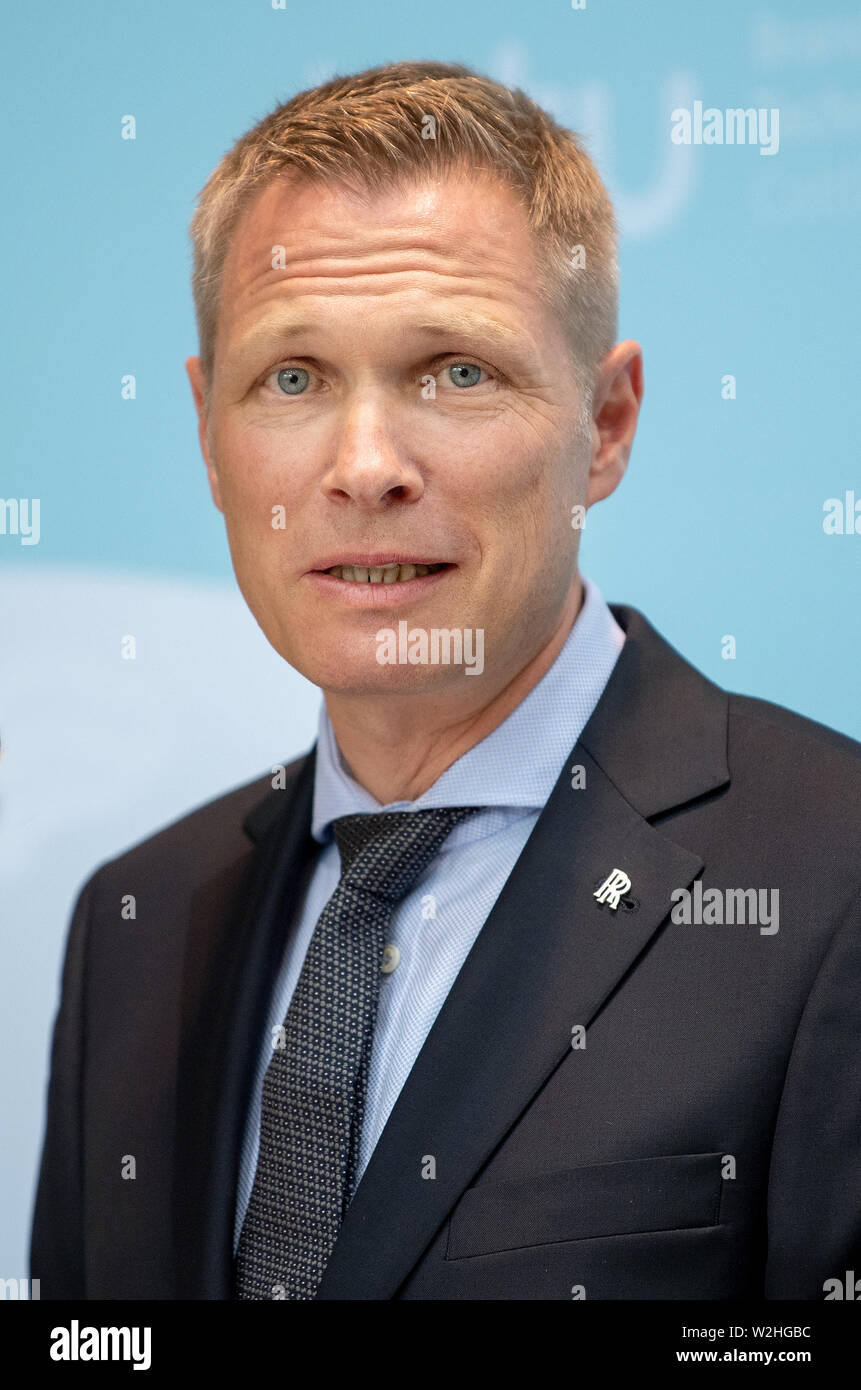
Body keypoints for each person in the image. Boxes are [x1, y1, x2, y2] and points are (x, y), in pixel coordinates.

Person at [31, 60, 861, 1300]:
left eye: (456, 372)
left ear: (609, 423)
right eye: (294, 378)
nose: (366, 467)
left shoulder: (834, 873)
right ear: (210, 434)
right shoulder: (134, 920)